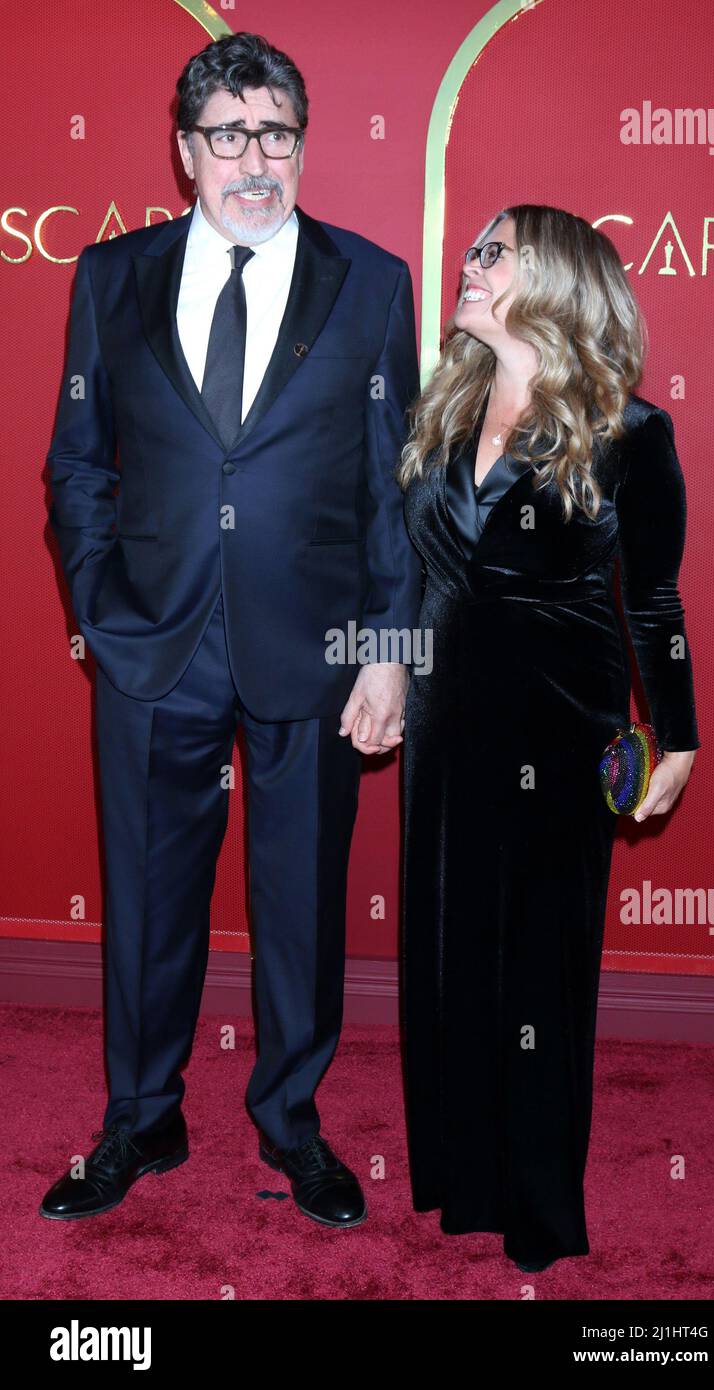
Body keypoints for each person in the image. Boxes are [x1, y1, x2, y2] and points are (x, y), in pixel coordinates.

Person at [41, 31, 420, 1227]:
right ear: (184, 149)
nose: (253, 160)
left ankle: (292, 1128)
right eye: (228, 134)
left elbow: (392, 489)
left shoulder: (371, 281)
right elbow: (76, 465)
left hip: (312, 649)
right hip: (154, 644)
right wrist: (99, 608)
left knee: (304, 905)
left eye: (274, 135)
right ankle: (138, 1122)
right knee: (147, 901)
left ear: (301, 146)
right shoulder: (112, 276)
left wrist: (390, 656)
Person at [397, 205, 699, 1273]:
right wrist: (384, 665)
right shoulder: (447, 404)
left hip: (555, 720)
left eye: (491, 253)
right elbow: (413, 569)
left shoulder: (628, 430)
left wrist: (675, 734)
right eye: (471, 249)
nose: (467, 266)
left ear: (553, 283)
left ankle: (535, 1201)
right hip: (444, 717)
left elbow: (651, 599)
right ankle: (462, 1176)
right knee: (444, 947)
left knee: (535, 962)